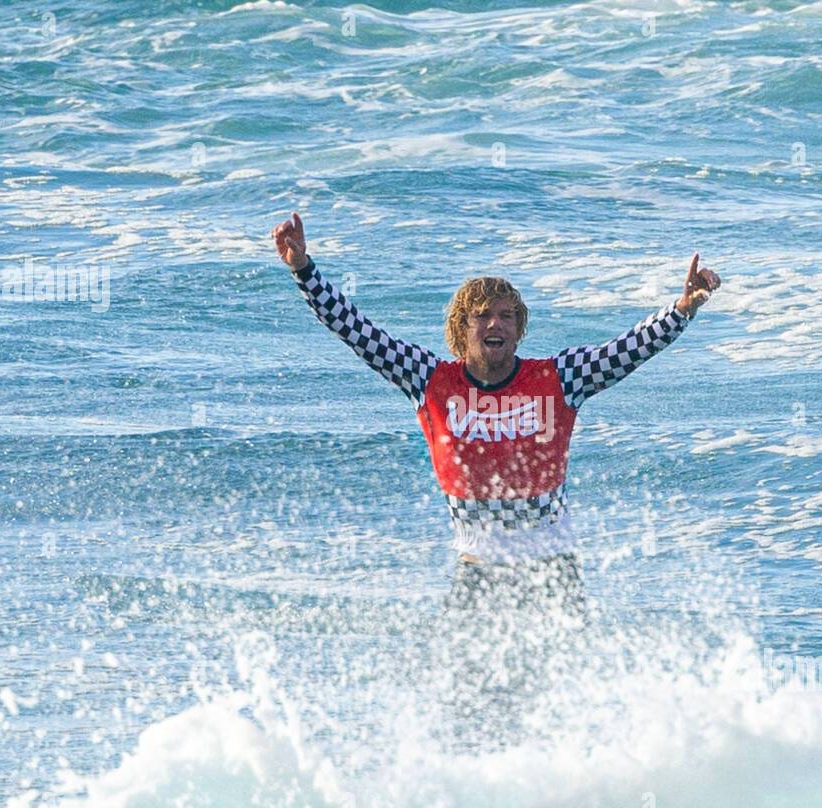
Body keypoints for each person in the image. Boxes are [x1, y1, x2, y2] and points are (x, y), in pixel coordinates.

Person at [273, 211, 719, 739]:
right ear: (462, 329)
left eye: (507, 316)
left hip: (552, 569)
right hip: (478, 571)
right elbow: (357, 331)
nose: (496, 324)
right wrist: (304, 269)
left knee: (556, 700)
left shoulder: (560, 378)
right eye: (483, 315)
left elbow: (629, 348)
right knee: (467, 701)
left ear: (519, 328)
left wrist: (683, 307)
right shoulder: (429, 379)